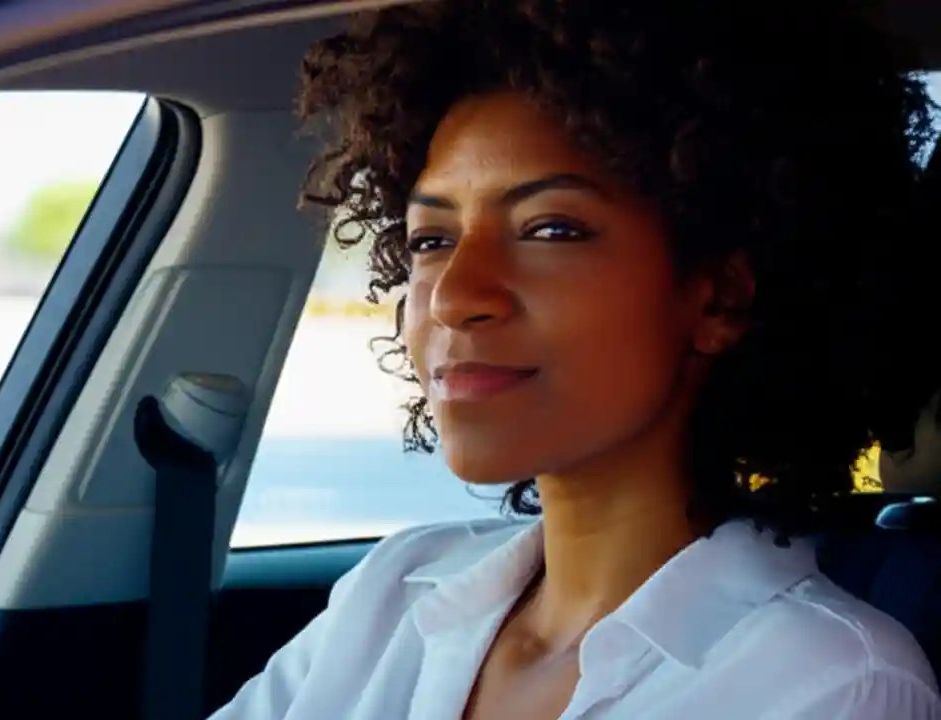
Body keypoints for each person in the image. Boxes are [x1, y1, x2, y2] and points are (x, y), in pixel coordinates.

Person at [212, 0, 941, 717]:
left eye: (551, 229)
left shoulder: (830, 682)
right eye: (431, 240)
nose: (453, 295)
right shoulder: (395, 587)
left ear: (720, 299)